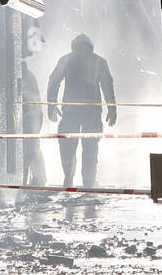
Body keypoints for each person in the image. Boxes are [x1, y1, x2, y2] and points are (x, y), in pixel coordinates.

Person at [46, 34, 117, 188]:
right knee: (89, 149)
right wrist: (112, 108)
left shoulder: (66, 60)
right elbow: (107, 86)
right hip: (90, 114)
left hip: (71, 112)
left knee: (69, 148)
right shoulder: (99, 61)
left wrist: (51, 104)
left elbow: (53, 81)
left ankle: (71, 178)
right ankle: (87, 183)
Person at [21, 61, 48, 190]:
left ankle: (34, 180)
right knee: (33, 148)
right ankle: (38, 180)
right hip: (35, 116)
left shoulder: (24, 77)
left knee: (30, 149)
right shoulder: (30, 75)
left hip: (30, 117)